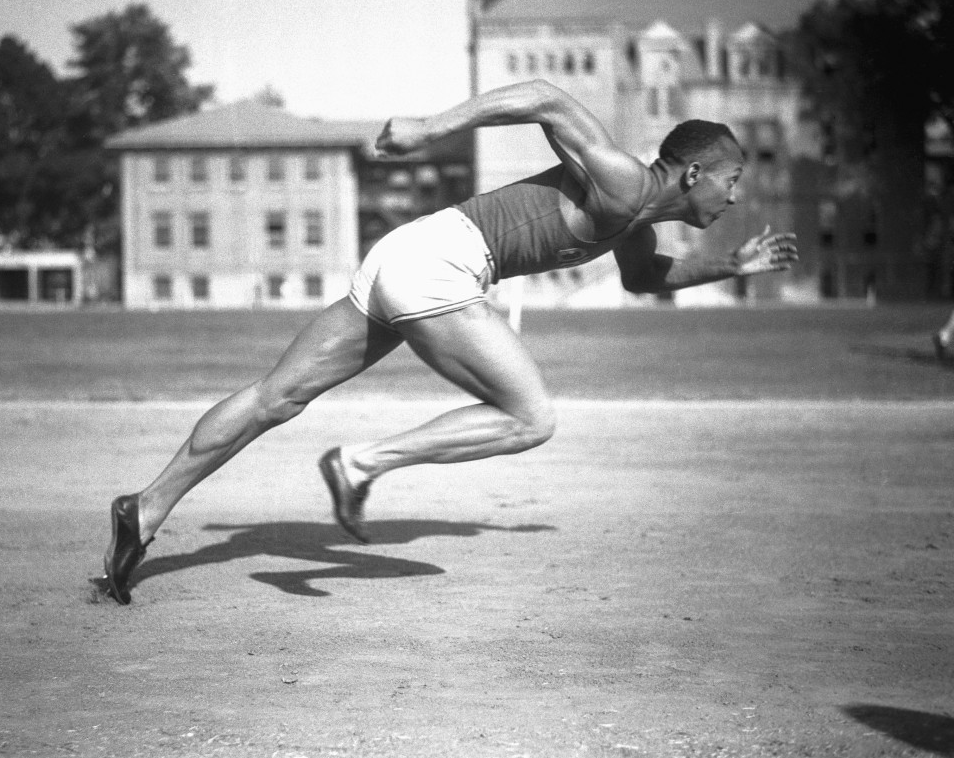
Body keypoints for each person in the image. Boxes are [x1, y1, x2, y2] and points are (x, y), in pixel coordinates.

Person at [102, 79, 799, 604]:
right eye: (734, 180)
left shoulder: (636, 223)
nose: (735, 197)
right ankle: (360, 463)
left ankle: (146, 507)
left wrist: (731, 267)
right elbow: (546, 98)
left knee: (274, 397)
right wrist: (429, 129)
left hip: (408, 253)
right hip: (442, 265)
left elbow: (645, 278)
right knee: (531, 418)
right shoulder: (622, 180)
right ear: (695, 173)